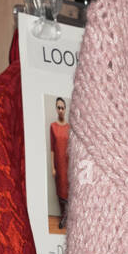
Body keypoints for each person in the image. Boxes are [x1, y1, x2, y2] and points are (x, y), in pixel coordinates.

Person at [50, 97, 71, 229]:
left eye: (63, 107)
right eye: (59, 107)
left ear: (65, 109)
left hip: (69, 163)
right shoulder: (53, 126)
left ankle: (71, 218)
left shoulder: (70, 127)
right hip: (59, 164)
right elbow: (52, 148)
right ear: (56, 109)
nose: (61, 110)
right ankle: (63, 216)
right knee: (60, 190)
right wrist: (53, 167)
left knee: (70, 190)